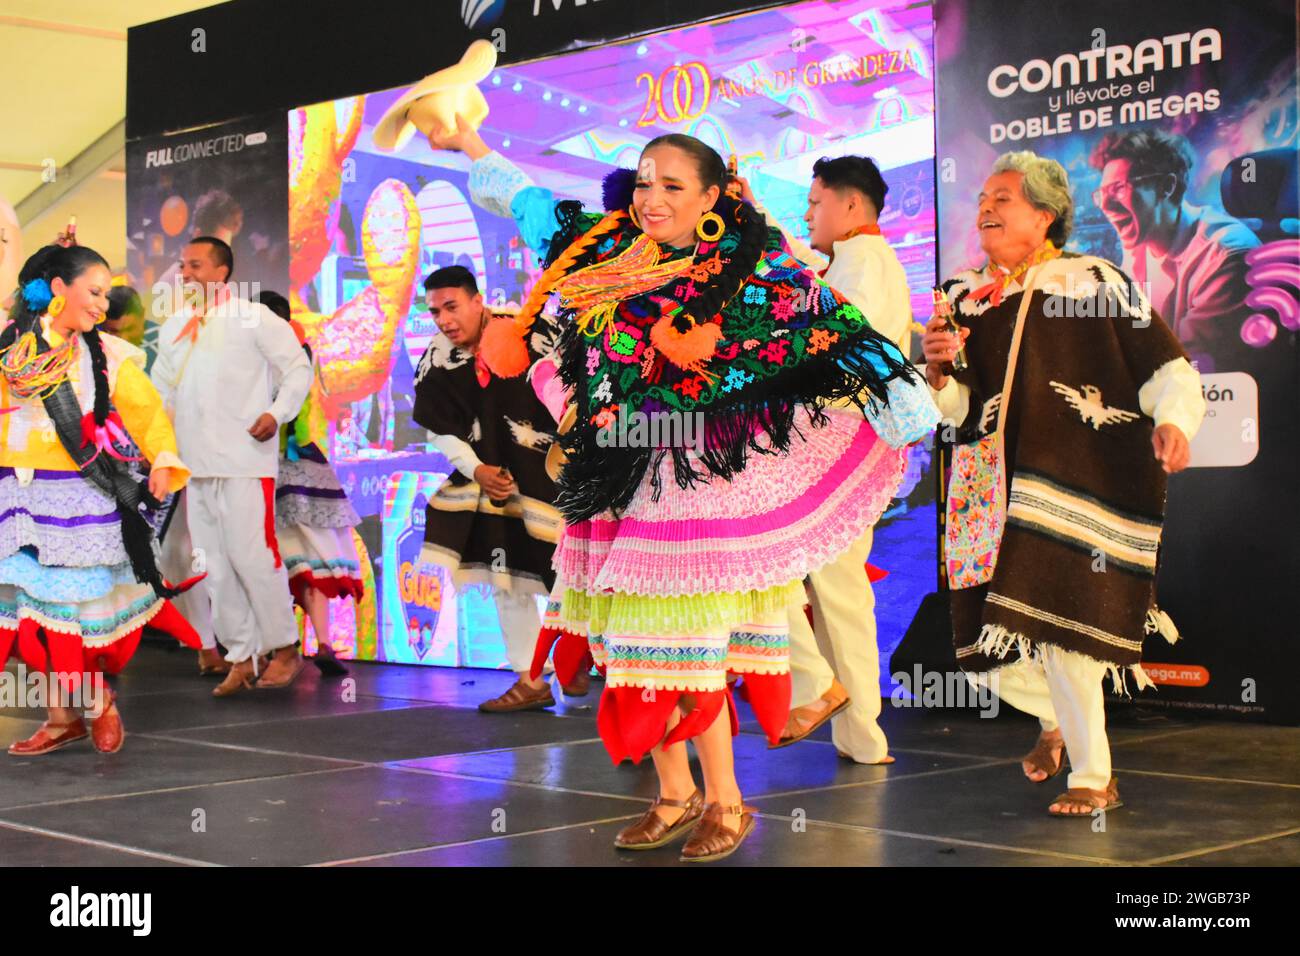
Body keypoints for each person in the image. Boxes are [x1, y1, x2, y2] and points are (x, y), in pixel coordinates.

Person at [432, 116, 938, 861]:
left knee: (688, 647)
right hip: (613, 484)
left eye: (672, 185)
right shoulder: (604, 251)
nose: (651, 197)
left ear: (711, 195)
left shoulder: (746, 265)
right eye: (643, 183)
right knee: (630, 648)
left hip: (691, 482)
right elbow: (535, 204)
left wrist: (909, 411)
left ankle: (727, 804)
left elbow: (830, 329)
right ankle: (675, 794)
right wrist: (471, 142)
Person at [922, 150, 1205, 815]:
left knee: (1062, 627)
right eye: (984, 197)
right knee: (980, 637)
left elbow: (1166, 364)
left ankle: (1093, 777)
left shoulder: (1090, 280)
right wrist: (937, 375)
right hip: (986, 486)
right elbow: (957, 408)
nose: (986, 208)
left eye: (1005, 198)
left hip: (1069, 480)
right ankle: (1053, 721)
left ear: (1047, 215)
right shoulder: (962, 294)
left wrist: (1175, 421)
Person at [739, 155, 912, 764]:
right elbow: (804, 271)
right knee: (836, 591)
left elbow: (826, 335)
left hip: (831, 449)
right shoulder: (860, 260)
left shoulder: (863, 264)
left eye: (815, 202)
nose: (808, 214)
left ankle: (819, 689)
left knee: (760, 565)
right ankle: (859, 729)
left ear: (851, 205)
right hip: (845, 448)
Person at [0, 243, 201, 755]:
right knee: (29, 618)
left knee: (65, 616)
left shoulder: (108, 356)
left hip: (76, 500)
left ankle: (96, 703)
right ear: (58, 289)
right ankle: (61, 718)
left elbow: (148, 414)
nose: (103, 306)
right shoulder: (11, 350)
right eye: (94, 292)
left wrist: (162, 460)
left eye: (107, 296)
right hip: (16, 497)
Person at [151, 236, 312, 696]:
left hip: (245, 460)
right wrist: (156, 447)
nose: (186, 274)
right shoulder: (174, 326)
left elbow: (297, 369)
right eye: (183, 266)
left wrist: (276, 414)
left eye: (196, 265)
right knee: (212, 564)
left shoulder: (253, 316)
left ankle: (285, 648)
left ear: (222, 272)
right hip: (193, 464)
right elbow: (159, 394)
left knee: (252, 556)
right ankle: (241, 656)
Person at [411, 266, 574, 710]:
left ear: (477, 300)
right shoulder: (438, 358)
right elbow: (438, 429)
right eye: (434, 312)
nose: (444, 320)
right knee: (509, 580)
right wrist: (478, 468)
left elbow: (578, 393)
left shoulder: (529, 333)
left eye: (452, 307)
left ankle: (590, 663)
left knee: (577, 574)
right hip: (494, 484)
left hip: (558, 475)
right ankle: (530, 678)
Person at [1089, 129, 1260, 371]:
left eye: (1118, 188)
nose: (1105, 205)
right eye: (1101, 194)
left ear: (1166, 186)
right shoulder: (1139, 246)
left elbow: (1187, 364)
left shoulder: (1225, 253)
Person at [257, 289, 358, 676]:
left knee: (278, 561)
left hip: (279, 467)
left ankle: (280, 649)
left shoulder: (278, 362)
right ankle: (321, 642)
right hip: (304, 466)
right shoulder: (301, 354)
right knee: (309, 557)